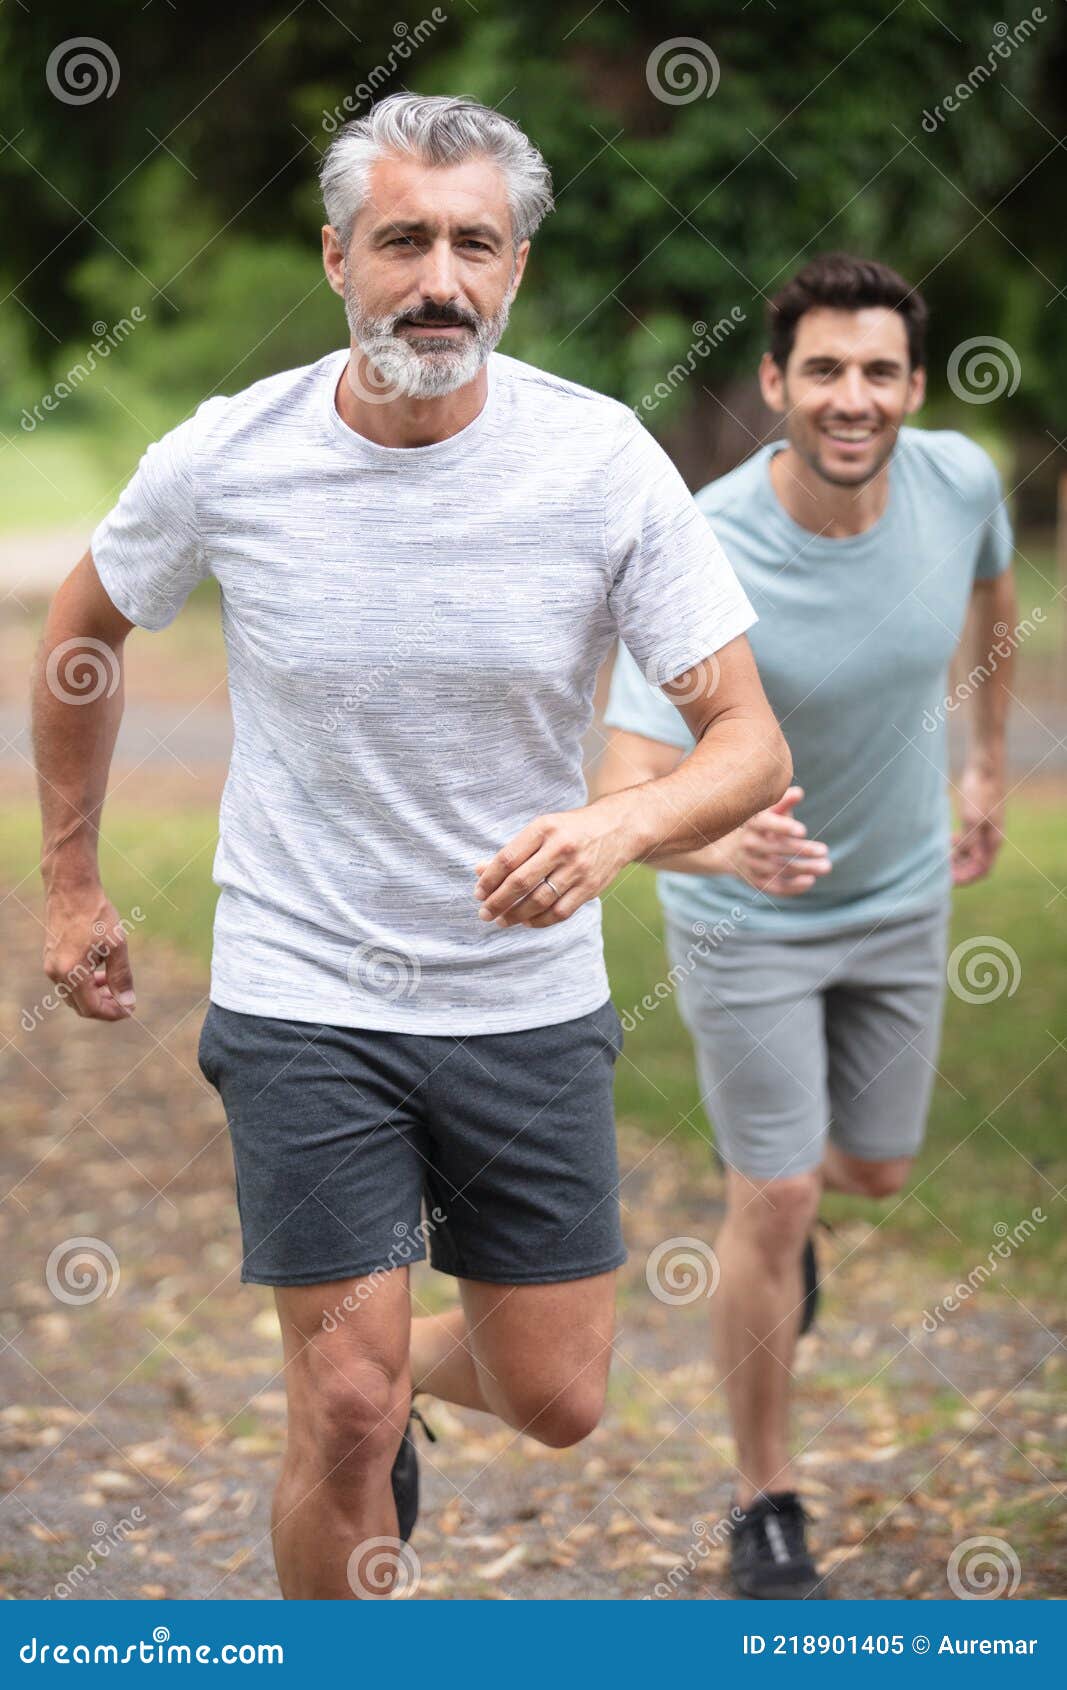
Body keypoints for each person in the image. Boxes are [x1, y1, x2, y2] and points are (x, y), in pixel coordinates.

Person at [31, 93, 789, 1600]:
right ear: (336, 258)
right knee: (344, 1399)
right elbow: (82, 632)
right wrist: (72, 883)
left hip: (522, 999)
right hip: (306, 986)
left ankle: (406, 1382)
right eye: (403, 240)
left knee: (562, 1392)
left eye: (474, 244)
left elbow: (751, 744)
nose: (439, 278)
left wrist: (616, 823)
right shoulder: (229, 457)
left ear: (512, 271)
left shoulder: (602, 462)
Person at [597, 253, 1015, 1599]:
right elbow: (621, 793)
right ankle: (764, 1501)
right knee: (771, 1193)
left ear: (915, 386)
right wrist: (725, 840)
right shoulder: (705, 544)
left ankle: (781, 1226)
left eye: (879, 371)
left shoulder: (960, 485)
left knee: (874, 1174)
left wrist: (985, 764)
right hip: (744, 912)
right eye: (824, 369)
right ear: (776, 383)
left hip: (898, 895)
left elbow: (992, 598)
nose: (854, 397)